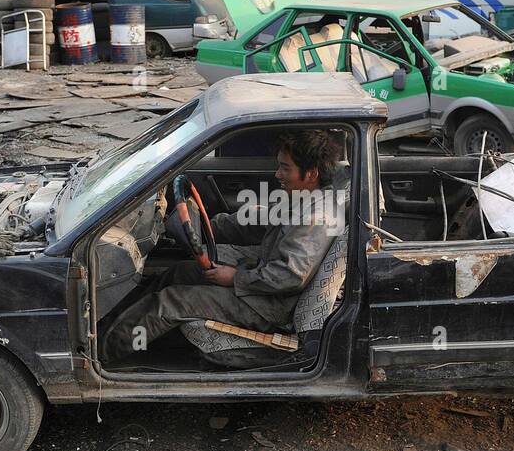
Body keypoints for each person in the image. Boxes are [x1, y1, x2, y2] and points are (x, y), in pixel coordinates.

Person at [102, 130, 343, 364]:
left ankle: (104, 354)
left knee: (170, 301)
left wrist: (236, 278)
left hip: (269, 306)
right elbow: (254, 224)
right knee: (180, 272)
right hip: (261, 283)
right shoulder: (301, 198)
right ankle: (108, 322)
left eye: (285, 168)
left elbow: (289, 276)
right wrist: (207, 225)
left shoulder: (315, 217)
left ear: (311, 173)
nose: (277, 174)